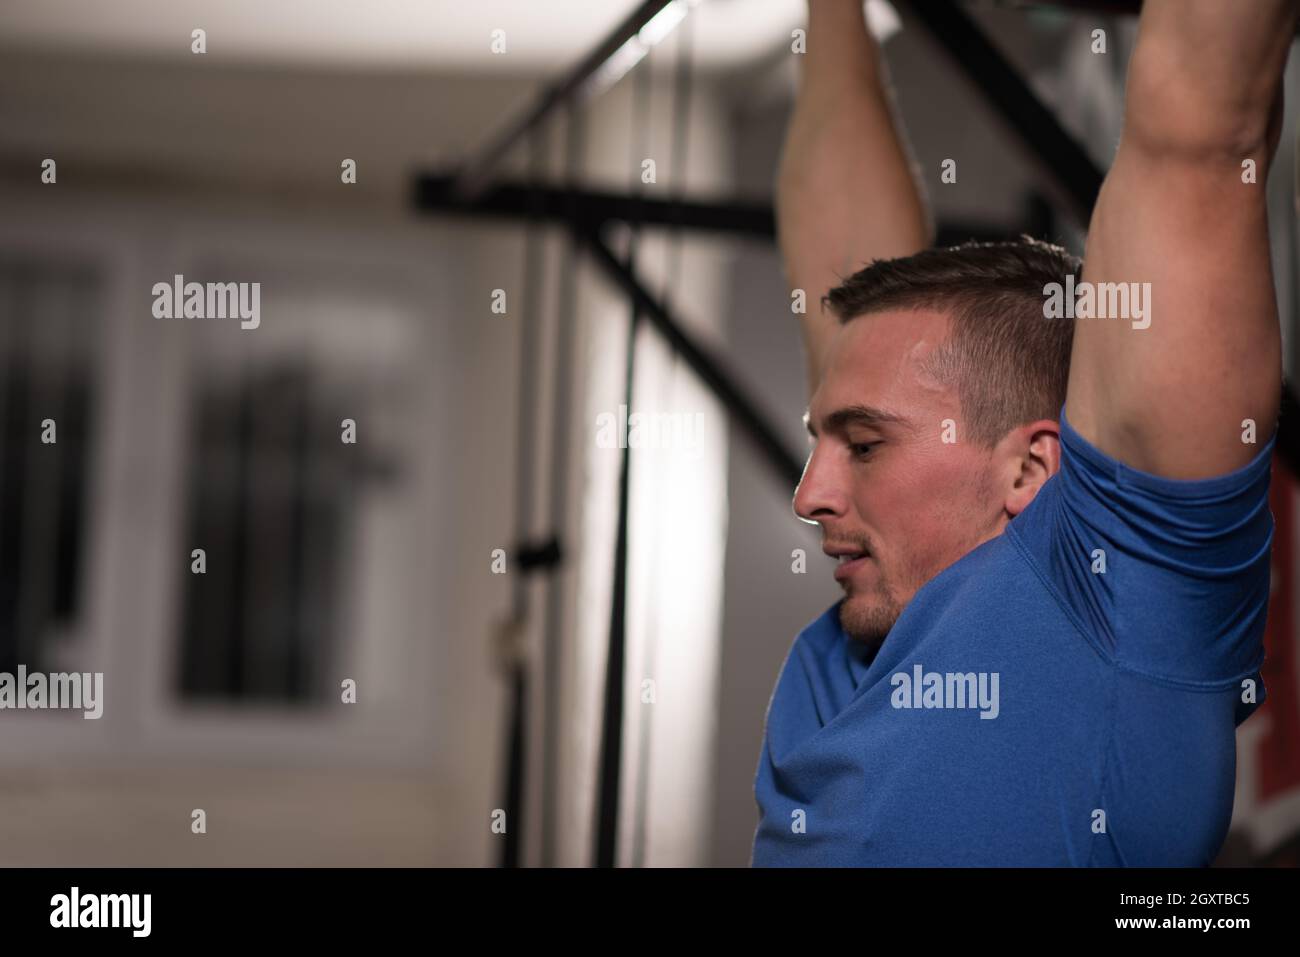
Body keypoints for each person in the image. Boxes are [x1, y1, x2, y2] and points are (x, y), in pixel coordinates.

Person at [752, 0, 1295, 866]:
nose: (809, 493)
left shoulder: (1118, 597)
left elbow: (1198, 138)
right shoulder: (871, 620)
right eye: (824, 439)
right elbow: (838, 261)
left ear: (1031, 465)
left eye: (863, 445)